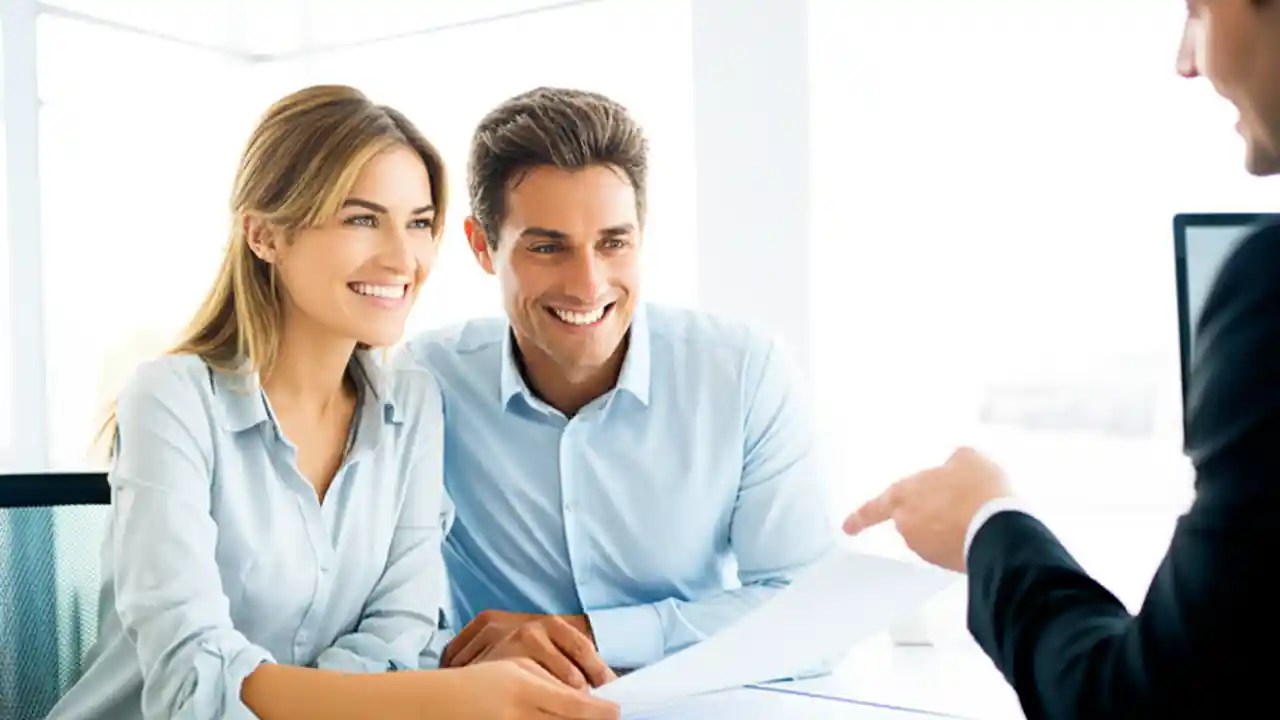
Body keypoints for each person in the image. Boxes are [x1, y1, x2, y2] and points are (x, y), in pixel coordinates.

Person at [48, 85, 618, 720]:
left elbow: (398, 633)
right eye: (362, 219)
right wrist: (449, 698)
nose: (403, 259)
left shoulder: (411, 403)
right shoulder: (172, 400)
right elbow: (193, 679)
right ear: (264, 234)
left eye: (419, 223)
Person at [841, 1, 1280, 717]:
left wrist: (988, 527)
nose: (1187, 61)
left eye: (1198, 9)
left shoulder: (1268, 286)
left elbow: (1138, 704)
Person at [400, 87, 836, 687]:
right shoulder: (426, 384)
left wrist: (588, 635)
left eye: (614, 243)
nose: (588, 284)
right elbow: (388, 616)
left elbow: (811, 617)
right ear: (482, 246)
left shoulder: (742, 375)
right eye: (547, 247)